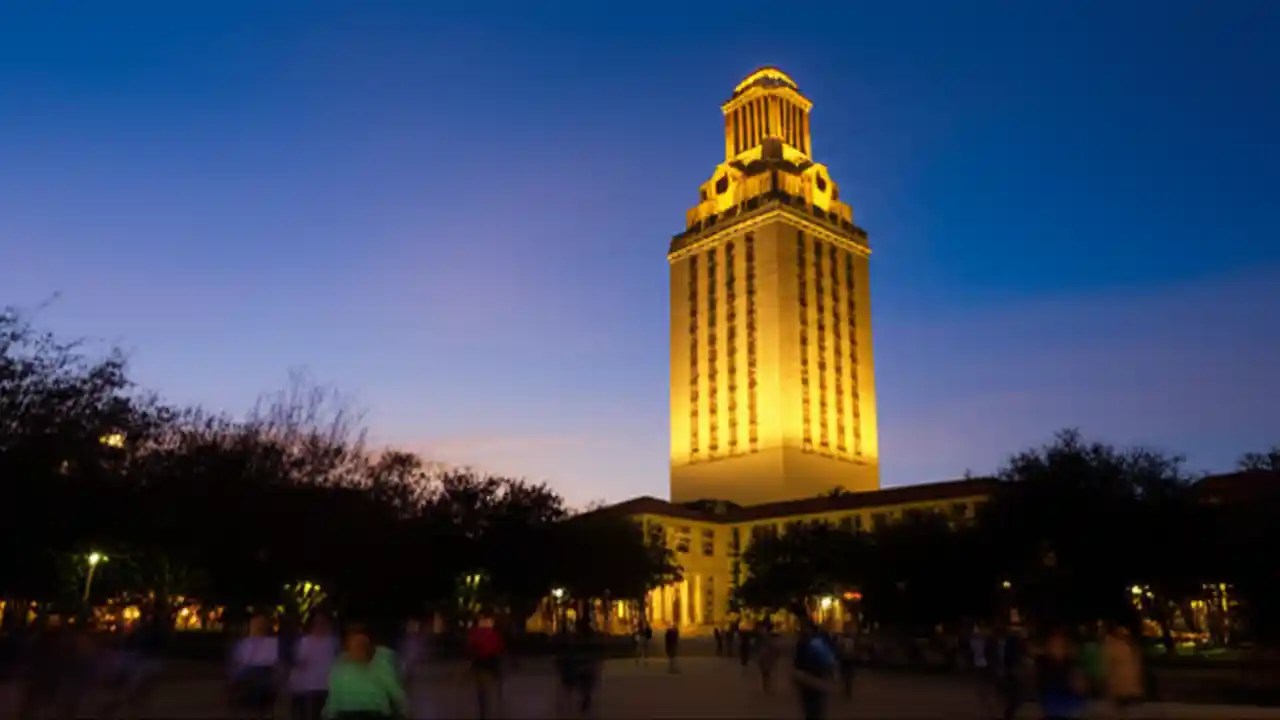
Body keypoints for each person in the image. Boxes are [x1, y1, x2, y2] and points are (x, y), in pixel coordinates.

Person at [323, 624, 406, 720]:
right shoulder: (339, 666)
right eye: (355, 643)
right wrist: (328, 714)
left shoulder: (380, 664)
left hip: (375, 713)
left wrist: (404, 711)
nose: (358, 647)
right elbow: (333, 697)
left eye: (362, 644)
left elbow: (395, 691)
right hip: (345, 714)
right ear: (347, 645)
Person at [228, 613, 281, 720]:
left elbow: (271, 660)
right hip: (248, 677)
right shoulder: (244, 643)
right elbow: (239, 662)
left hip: (262, 677)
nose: (258, 627)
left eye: (260, 625)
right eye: (255, 625)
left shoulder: (271, 643)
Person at [288, 613, 339, 720]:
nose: (320, 626)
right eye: (317, 624)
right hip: (308, 687)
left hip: (328, 686)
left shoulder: (333, 643)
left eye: (323, 623)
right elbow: (298, 662)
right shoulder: (305, 642)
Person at [792, 615, 837, 720]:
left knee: (815, 708)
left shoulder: (815, 642)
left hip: (815, 677)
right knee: (812, 708)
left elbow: (828, 660)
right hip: (808, 679)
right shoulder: (803, 643)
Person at [1035, 628, 1086, 720]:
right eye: (1053, 644)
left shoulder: (1072, 667)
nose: (1055, 648)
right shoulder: (1044, 666)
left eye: (1059, 645)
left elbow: (1079, 697)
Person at [467, 614, 505, 719]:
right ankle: (488, 712)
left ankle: (483, 712)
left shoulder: (475, 634)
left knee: (482, 692)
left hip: (480, 665)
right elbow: (499, 648)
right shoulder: (493, 634)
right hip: (490, 666)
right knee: (490, 692)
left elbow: (470, 648)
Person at [1104, 625, 1144, 717]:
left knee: (1122, 708)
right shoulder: (1120, 647)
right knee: (1122, 707)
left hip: (1122, 683)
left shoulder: (1120, 646)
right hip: (1121, 684)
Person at [756, 621, 779, 694]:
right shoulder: (771, 635)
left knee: (764, 671)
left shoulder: (764, 635)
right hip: (767, 654)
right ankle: (766, 685)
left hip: (764, 653)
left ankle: (766, 685)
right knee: (767, 671)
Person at [836, 629, 858, 700]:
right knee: (849, 676)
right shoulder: (852, 641)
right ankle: (848, 691)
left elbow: (840, 649)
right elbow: (855, 649)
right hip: (850, 659)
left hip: (844, 659)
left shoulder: (842, 641)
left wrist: (839, 656)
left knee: (845, 675)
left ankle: (846, 691)